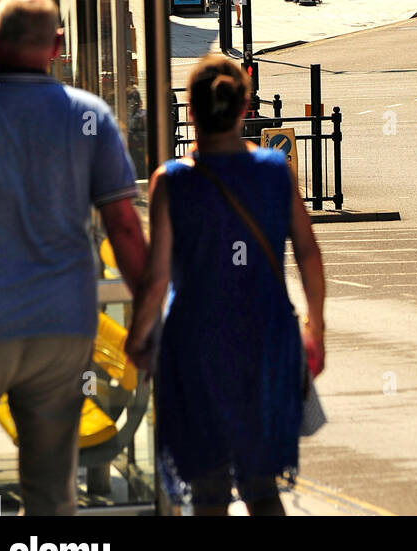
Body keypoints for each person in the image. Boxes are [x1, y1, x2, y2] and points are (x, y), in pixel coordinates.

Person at [0, 0, 147, 516]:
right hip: (63, 326)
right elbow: (124, 227)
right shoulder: (89, 116)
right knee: (50, 487)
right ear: (58, 45)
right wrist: (148, 315)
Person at [126, 56, 325, 516]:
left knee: (208, 490)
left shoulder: (172, 182)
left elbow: (156, 279)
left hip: (197, 346)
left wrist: (137, 339)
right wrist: (316, 327)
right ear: (245, 108)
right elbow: (309, 253)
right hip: (265, 339)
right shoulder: (275, 171)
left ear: (190, 111)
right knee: (261, 486)